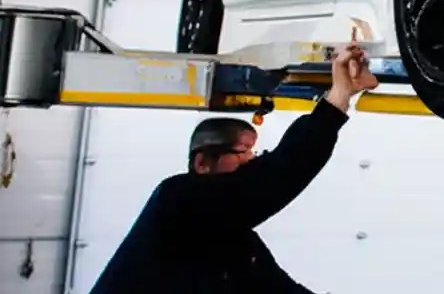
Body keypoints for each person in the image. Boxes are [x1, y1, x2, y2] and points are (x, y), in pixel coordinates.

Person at [88, 43, 378, 294]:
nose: (251, 162)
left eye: (254, 153)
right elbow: (279, 174)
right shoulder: (177, 204)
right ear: (202, 163)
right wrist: (339, 96)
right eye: (242, 153)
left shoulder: (236, 245)